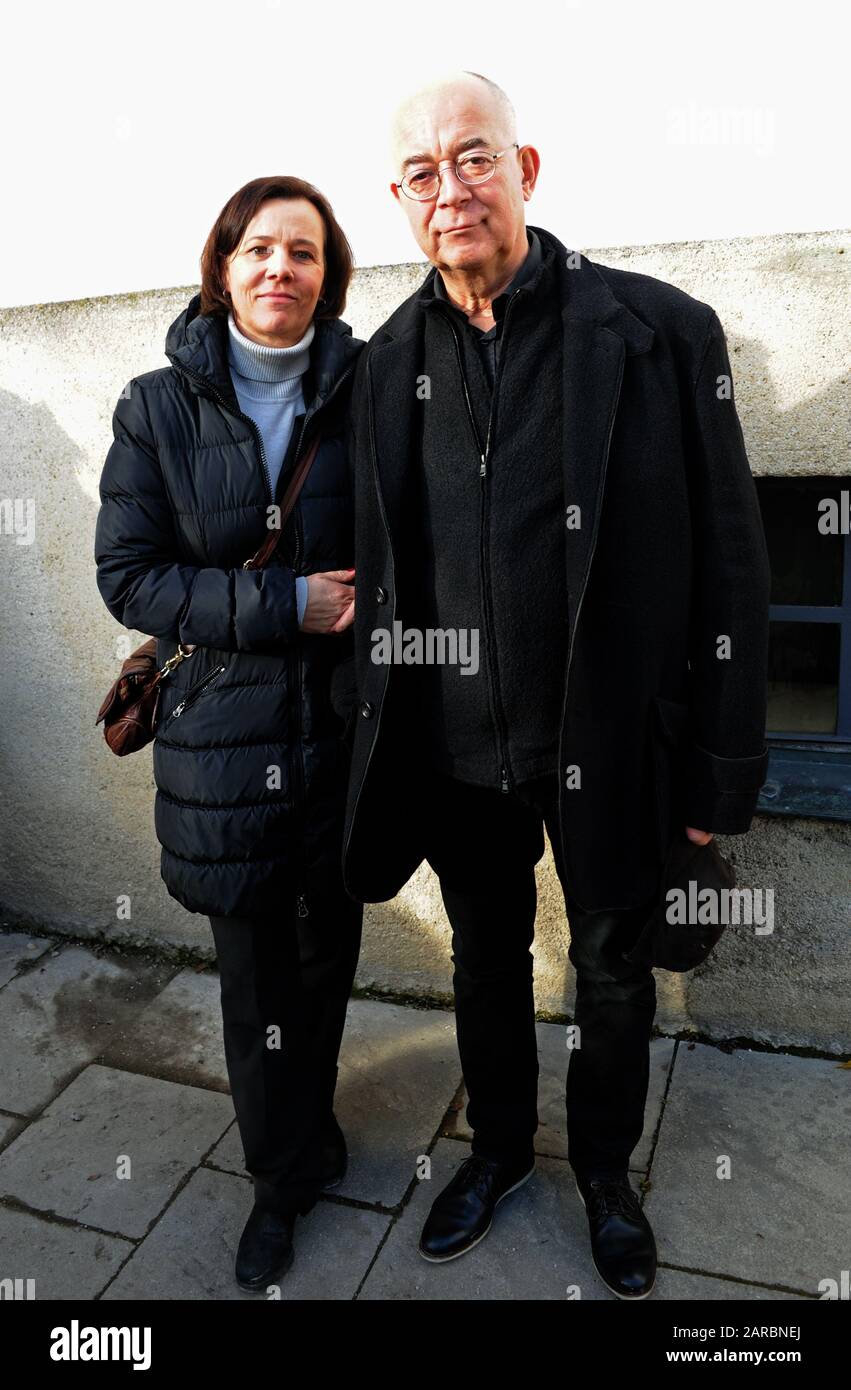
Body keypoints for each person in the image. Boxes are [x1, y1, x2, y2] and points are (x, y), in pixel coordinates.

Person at [340, 72, 770, 1299]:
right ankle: (494, 1155)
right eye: (422, 174)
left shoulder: (660, 331)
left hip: (618, 740)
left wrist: (718, 774)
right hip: (457, 751)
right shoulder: (382, 368)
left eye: (472, 158)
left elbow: (733, 570)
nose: (450, 189)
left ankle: (603, 1174)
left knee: (615, 971)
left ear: (526, 170)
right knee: (482, 962)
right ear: (400, 204)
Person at [94, 176, 365, 1292]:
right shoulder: (153, 407)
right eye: (259, 249)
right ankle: (273, 1183)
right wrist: (282, 603)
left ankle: (311, 1130)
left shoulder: (369, 390)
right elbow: (130, 576)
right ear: (222, 266)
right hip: (222, 743)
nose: (279, 272)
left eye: (302, 254)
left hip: (345, 736)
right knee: (255, 981)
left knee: (329, 956)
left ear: (325, 276)